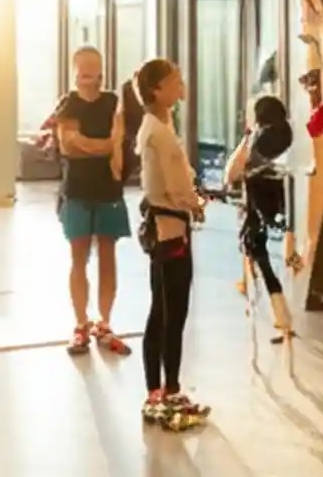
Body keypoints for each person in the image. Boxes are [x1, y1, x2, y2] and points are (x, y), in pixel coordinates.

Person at [134, 58, 210, 428]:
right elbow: (175, 186)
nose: (181, 86)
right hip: (169, 230)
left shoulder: (161, 125)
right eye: (175, 81)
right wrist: (197, 203)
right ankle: (164, 392)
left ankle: (163, 389)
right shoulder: (158, 133)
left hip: (170, 227)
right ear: (156, 90)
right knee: (170, 311)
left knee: (165, 310)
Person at [54, 47, 131, 356]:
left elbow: (117, 142)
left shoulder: (114, 103)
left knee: (108, 256)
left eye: (93, 66)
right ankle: (81, 323)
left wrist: (90, 144)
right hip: (77, 191)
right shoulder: (68, 104)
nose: (87, 71)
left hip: (109, 191)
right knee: (79, 257)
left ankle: (105, 322)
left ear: (101, 70)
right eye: (82, 66)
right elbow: (68, 146)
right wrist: (103, 146)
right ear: (75, 70)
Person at [224, 94, 294, 343]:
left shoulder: (259, 141)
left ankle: (282, 316)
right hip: (279, 211)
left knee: (258, 253)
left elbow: (231, 173)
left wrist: (246, 138)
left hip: (257, 208)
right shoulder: (288, 135)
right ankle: (279, 314)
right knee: (255, 251)